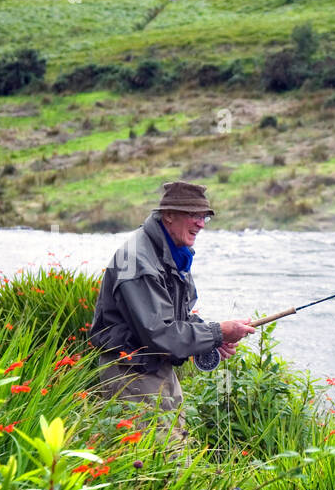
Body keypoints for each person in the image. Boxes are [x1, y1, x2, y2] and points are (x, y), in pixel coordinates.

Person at [89, 181, 257, 450]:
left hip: (156, 369)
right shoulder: (139, 261)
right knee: (160, 466)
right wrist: (217, 333)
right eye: (193, 215)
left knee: (173, 455)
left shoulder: (171, 252)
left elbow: (175, 317)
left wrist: (212, 337)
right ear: (168, 215)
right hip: (132, 375)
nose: (200, 224)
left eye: (203, 217)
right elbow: (160, 333)